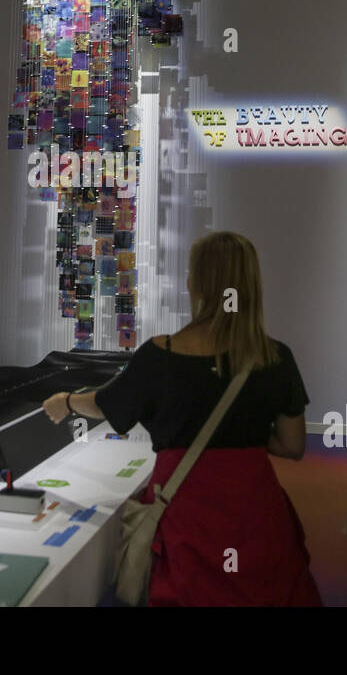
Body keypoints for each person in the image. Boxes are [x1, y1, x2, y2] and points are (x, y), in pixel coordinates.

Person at [42, 231, 321, 606]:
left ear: (195, 284)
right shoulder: (275, 357)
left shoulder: (161, 356)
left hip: (188, 515)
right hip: (256, 513)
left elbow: (108, 405)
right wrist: (243, 437)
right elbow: (292, 445)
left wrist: (67, 401)